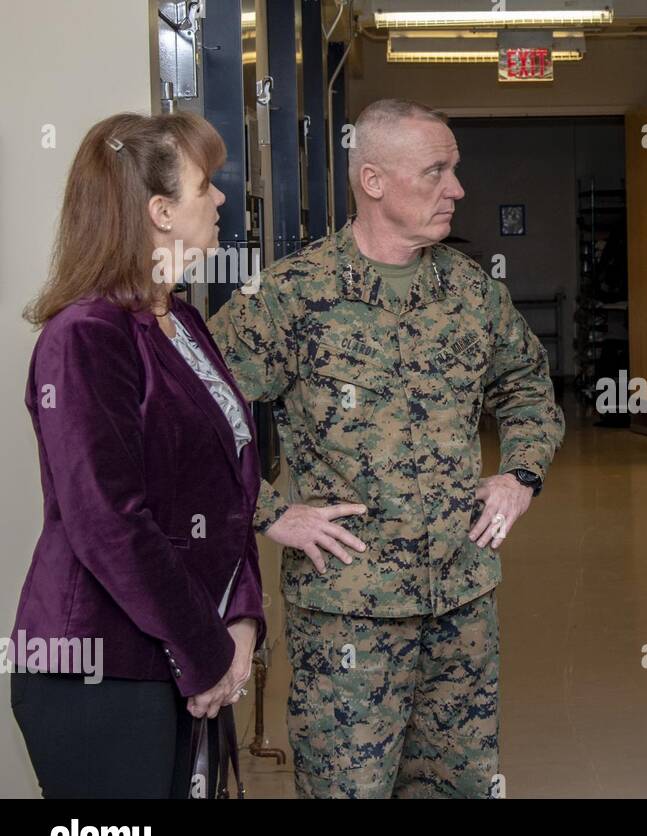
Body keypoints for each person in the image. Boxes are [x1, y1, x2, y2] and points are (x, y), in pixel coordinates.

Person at [210, 98, 565, 798]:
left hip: (461, 604)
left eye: (454, 169)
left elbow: (526, 381)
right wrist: (269, 510)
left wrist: (520, 472)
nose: (457, 188)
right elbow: (196, 412)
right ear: (373, 181)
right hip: (349, 615)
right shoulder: (289, 297)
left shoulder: (470, 293)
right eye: (436, 171)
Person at [9, 112, 266, 798]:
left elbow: (230, 492)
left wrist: (241, 615)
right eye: (205, 185)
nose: (219, 199)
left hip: (180, 657)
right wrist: (207, 651)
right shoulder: (85, 335)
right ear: (159, 211)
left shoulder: (179, 321)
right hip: (101, 671)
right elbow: (107, 521)